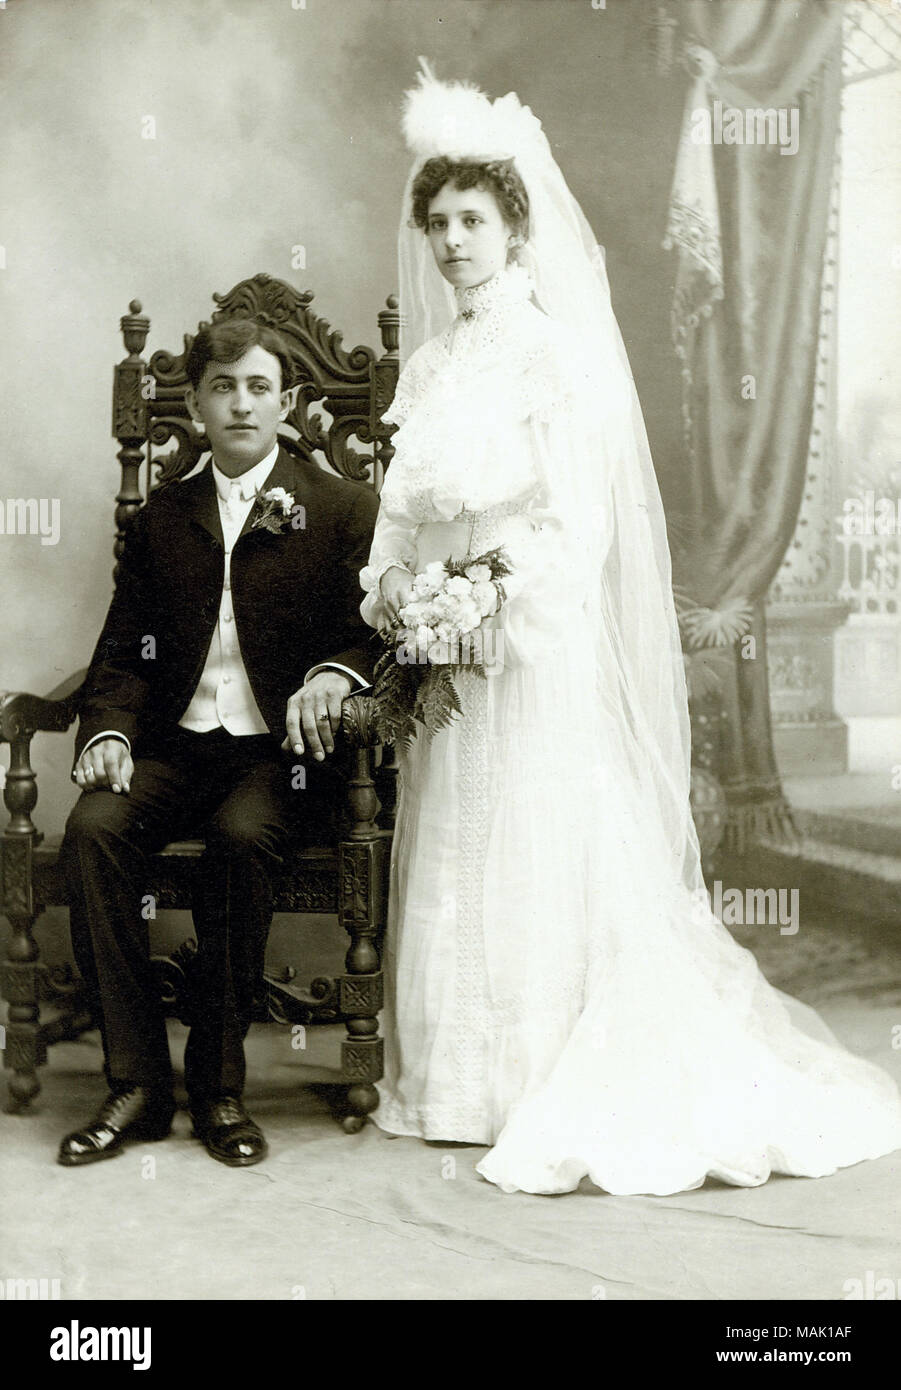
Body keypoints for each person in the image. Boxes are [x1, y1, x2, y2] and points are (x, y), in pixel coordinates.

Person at [359, 63, 901, 1196]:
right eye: (441, 221)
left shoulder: (552, 356)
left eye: (476, 219)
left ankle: (528, 1077)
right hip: (445, 659)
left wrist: (490, 597)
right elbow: (400, 520)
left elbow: (577, 524)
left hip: (527, 648)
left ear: (517, 229)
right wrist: (398, 596)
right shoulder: (430, 367)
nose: (455, 240)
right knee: (454, 841)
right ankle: (452, 1082)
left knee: (532, 840)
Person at [58, 318, 377, 1168]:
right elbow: (124, 649)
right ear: (195, 405)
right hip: (174, 747)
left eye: (259, 387)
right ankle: (135, 1084)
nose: (241, 403)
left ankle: (219, 1088)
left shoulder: (343, 507)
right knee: (92, 832)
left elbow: (368, 633)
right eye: (223, 388)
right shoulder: (163, 516)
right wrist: (112, 732)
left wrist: (333, 677)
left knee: (240, 840)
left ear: (289, 403)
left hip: (279, 759)